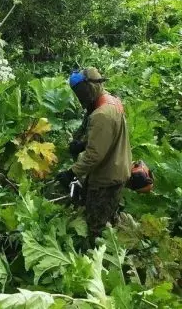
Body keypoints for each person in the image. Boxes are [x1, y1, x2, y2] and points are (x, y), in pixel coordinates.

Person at [56, 67, 132, 241]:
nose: (80, 97)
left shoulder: (101, 115)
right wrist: (83, 144)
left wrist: (71, 173)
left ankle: (102, 258)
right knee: (109, 215)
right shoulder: (112, 101)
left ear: (91, 87)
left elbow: (94, 156)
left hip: (107, 177)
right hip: (117, 167)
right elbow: (107, 137)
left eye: (81, 92)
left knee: (95, 227)